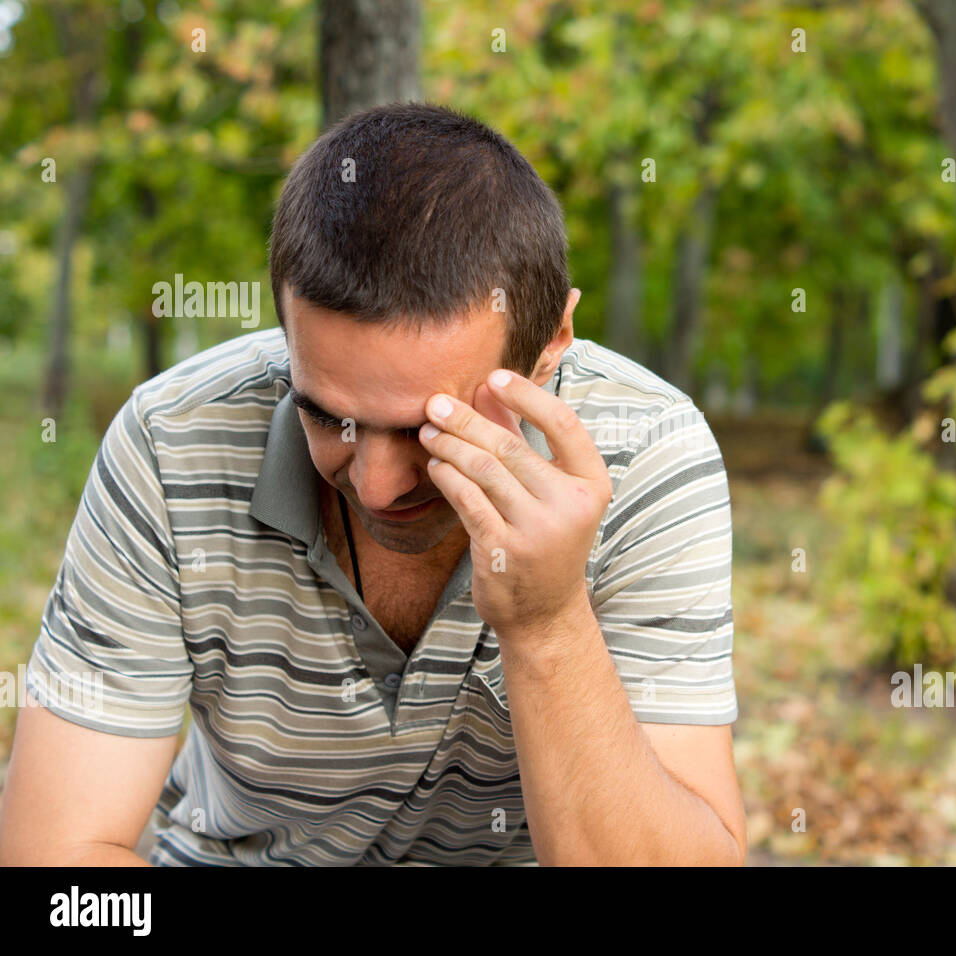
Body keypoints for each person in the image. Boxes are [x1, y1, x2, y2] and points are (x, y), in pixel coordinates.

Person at [0, 103, 744, 866]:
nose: (378, 485)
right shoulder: (174, 442)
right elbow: (54, 862)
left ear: (550, 343)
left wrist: (548, 622)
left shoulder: (651, 449)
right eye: (325, 415)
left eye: (431, 426)